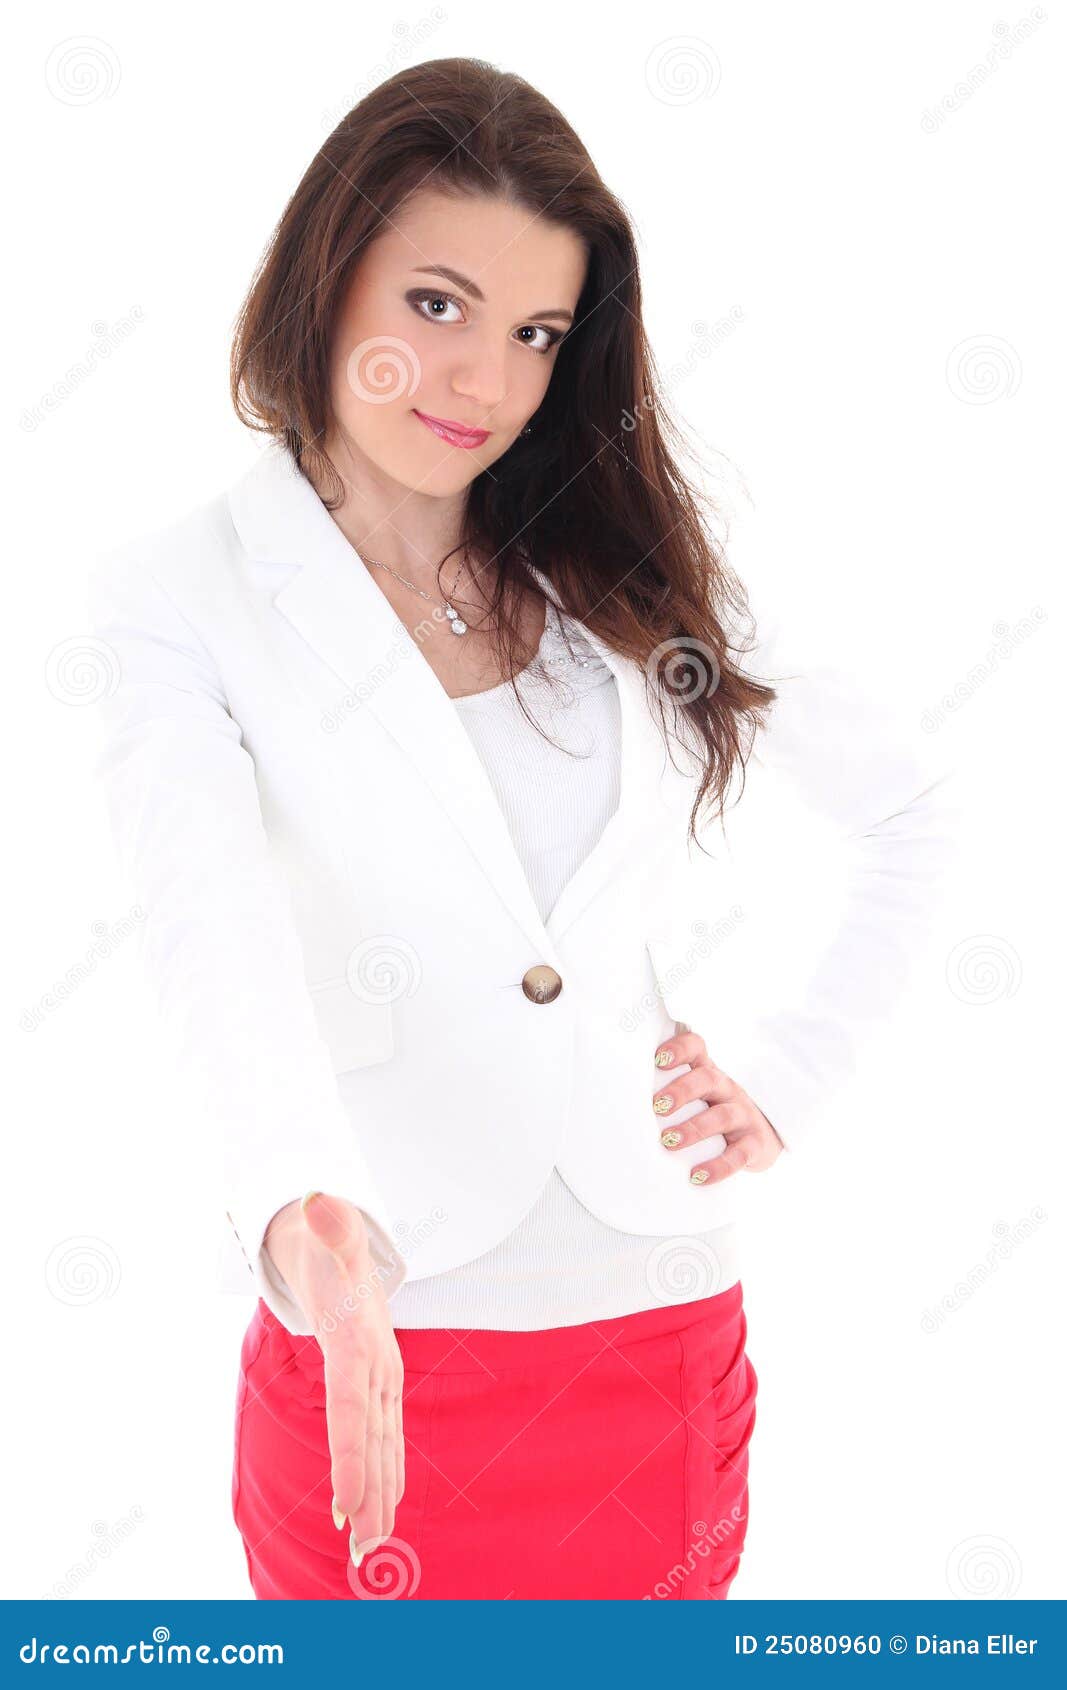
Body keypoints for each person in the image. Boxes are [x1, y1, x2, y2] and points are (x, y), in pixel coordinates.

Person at [87, 58, 957, 1600]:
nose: (479, 380)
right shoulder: (188, 596)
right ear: (326, 275)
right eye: (435, 303)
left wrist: (789, 1072)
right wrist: (305, 1218)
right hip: (379, 1350)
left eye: (536, 333)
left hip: (657, 1333)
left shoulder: (612, 575)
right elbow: (201, 924)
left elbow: (904, 807)